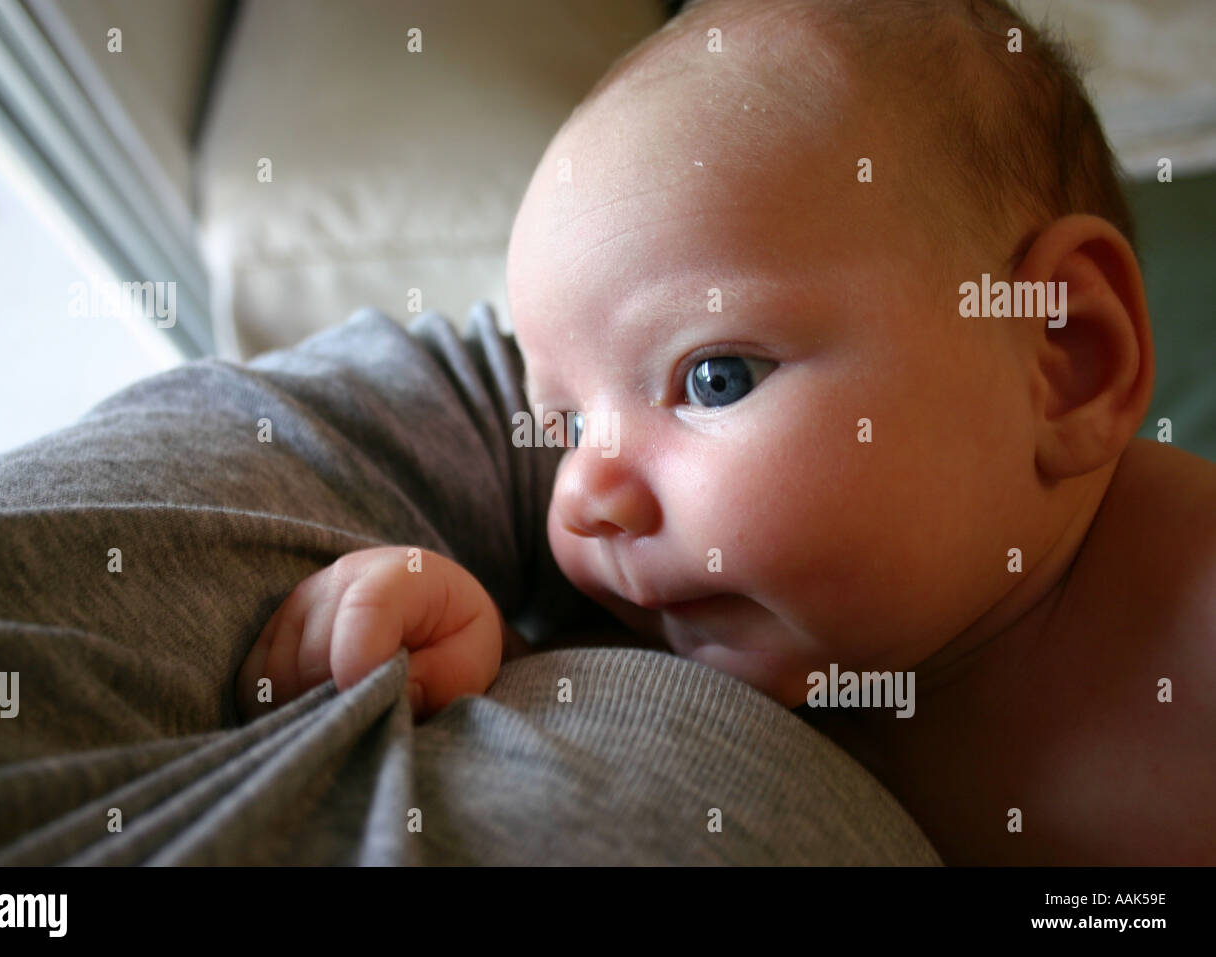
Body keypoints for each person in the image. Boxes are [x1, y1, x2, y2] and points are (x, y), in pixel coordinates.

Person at [242, 0, 1216, 865]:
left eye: (714, 378)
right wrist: (453, 641)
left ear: (1064, 356)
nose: (583, 496)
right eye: (566, 426)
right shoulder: (704, 638)